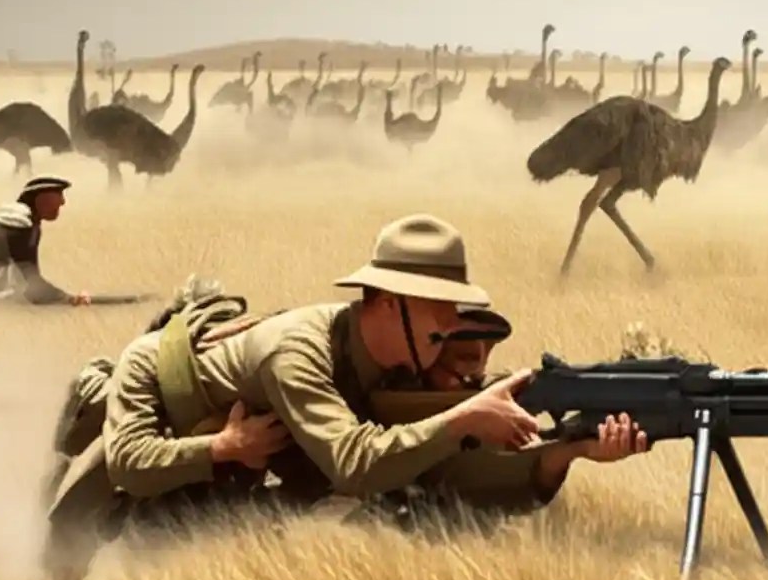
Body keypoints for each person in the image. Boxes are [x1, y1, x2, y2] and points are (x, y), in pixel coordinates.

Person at [79, 213, 646, 528]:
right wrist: (224, 448)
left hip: (237, 470)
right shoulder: (296, 353)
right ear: (385, 301)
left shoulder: (388, 363)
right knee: (82, 514)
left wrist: (563, 453)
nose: (448, 336)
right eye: (436, 320)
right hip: (157, 391)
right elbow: (356, 464)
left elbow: (441, 473)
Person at [0, 176, 92, 305]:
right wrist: (67, 299)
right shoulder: (19, 228)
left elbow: (31, 277)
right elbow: (29, 280)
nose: (62, 202)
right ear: (41, 199)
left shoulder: (28, 225)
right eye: (58, 195)